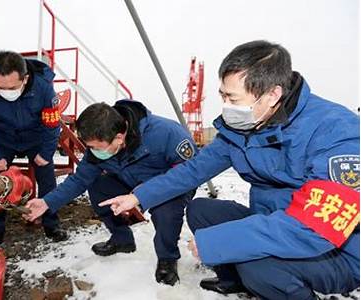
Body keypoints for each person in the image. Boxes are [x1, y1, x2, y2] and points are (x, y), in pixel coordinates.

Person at [100, 40, 360, 299]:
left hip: (337, 250)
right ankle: (237, 281)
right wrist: (138, 196)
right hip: (271, 222)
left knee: (255, 265)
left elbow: (313, 228)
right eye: (223, 95)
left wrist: (217, 243)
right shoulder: (244, 127)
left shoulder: (337, 133)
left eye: (233, 98)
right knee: (202, 211)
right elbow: (192, 171)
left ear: (272, 95)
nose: (226, 105)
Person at [24, 100, 197, 285]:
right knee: (99, 185)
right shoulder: (100, 145)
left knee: (165, 212)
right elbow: (79, 179)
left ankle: (167, 258)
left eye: (97, 148)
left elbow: (187, 173)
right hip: (130, 182)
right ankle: (122, 239)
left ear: (119, 138)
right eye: (89, 147)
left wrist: (145, 192)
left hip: (170, 186)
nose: (93, 152)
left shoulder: (167, 133)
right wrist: (46, 202)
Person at [0, 50, 67, 245]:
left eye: (12, 87)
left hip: (36, 137)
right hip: (4, 138)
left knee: (47, 179)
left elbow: (52, 123)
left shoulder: (43, 87)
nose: (6, 92)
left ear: (25, 79)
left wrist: (46, 152)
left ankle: (52, 224)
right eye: (0, 87)